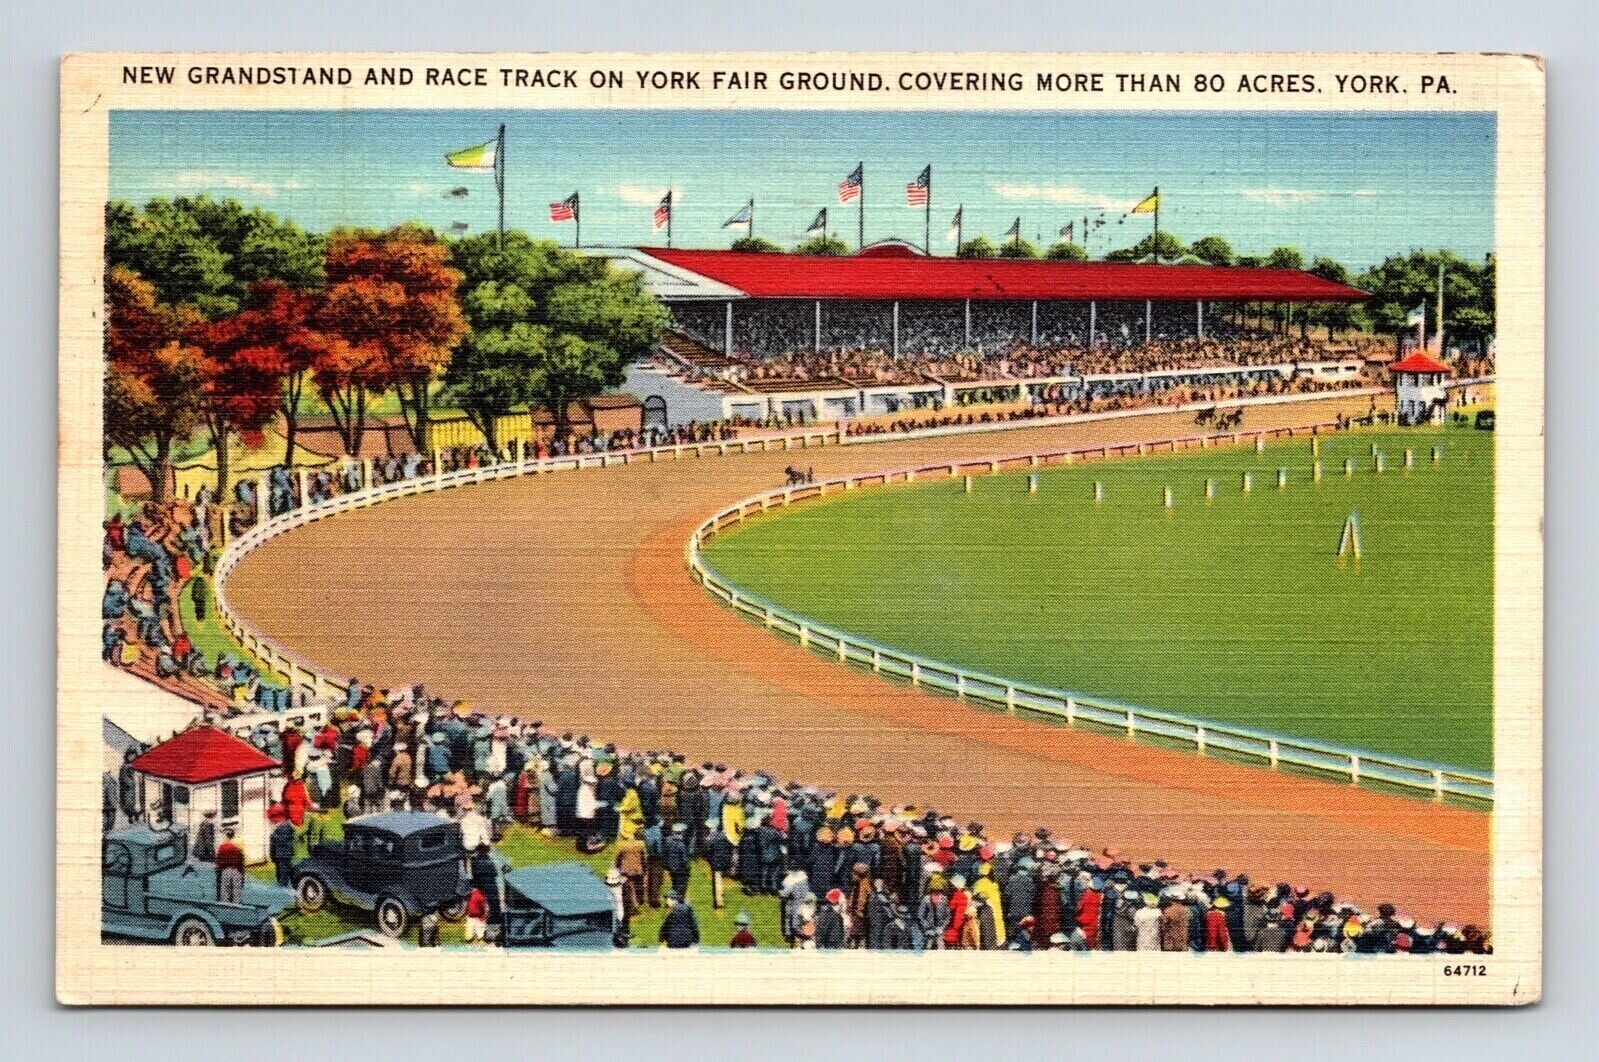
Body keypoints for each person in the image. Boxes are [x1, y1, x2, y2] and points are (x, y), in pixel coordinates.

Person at [214, 828, 245, 904]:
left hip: (226, 870)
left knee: (225, 889)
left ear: (226, 836)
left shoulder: (222, 846)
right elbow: (242, 859)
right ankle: (237, 905)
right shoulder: (238, 845)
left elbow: (219, 860)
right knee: (236, 889)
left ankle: (226, 905)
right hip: (237, 870)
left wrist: (217, 867)